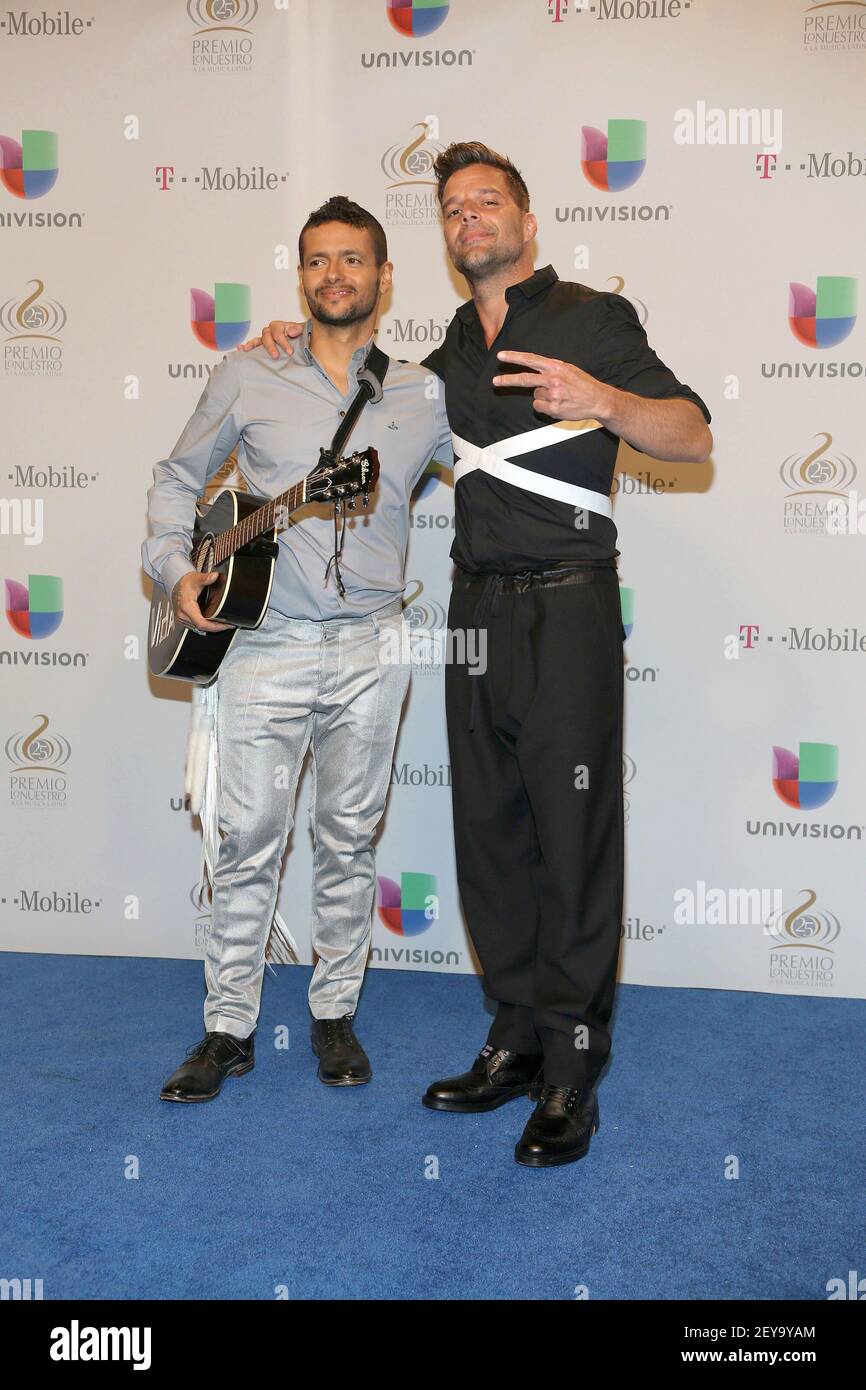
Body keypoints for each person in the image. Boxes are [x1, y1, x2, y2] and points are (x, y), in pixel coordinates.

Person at [247, 143, 713, 1165]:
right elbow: (345, 395)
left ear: (526, 220)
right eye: (452, 207)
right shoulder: (443, 353)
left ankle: (572, 1070)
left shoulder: (593, 316)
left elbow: (688, 434)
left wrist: (604, 400)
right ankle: (512, 1038)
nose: (469, 217)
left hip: (569, 607)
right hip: (472, 610)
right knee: (490, 837)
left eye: (487, 201)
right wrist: (289, 342)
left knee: (571, 836)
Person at [142, 196, 452, 1103]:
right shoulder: (248, 371)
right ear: (302, 276)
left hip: (372, 646)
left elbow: (499, 471)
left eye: (353, 260)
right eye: (319, 260)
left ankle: (333, 1014)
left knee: (349, 838)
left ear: (385, 277)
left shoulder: (424, 393)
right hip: (264, 645)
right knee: (245, 841)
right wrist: (174, 568)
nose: (335, 276)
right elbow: (176, 477)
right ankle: (227, 1030)